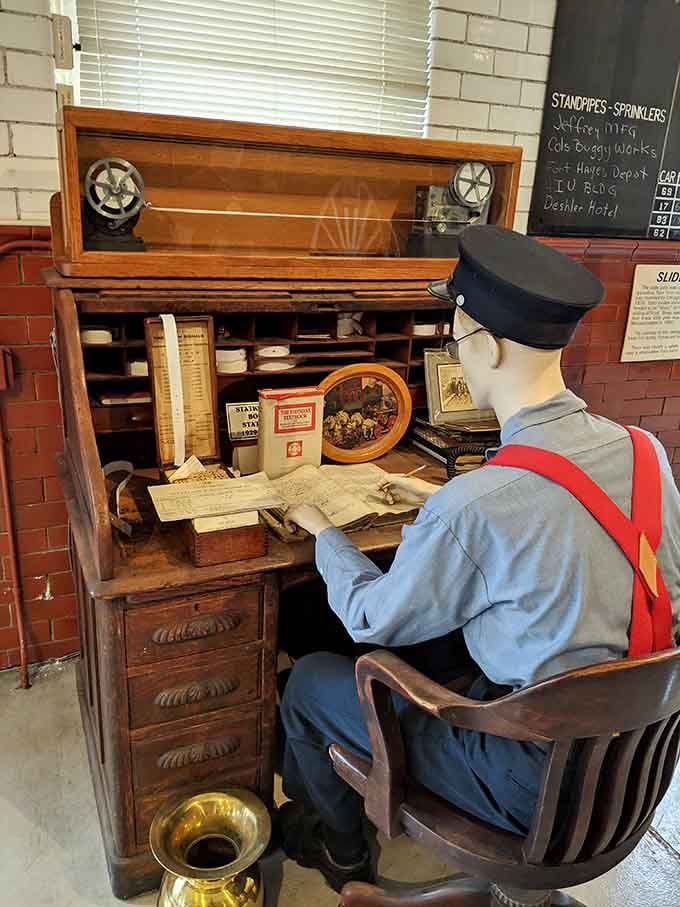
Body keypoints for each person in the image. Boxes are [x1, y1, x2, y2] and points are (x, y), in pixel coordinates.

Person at [276, 225, 680, 892]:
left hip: (531, 785)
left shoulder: (477, 506)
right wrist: (438, 496)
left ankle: (341, 848)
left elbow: (370, 618)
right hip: (632, 768)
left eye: (456, 338)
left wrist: (321, 525)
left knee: (311, 679)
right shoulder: (645, 453)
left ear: (487, 345)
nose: (456, 354)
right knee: (448, 641)